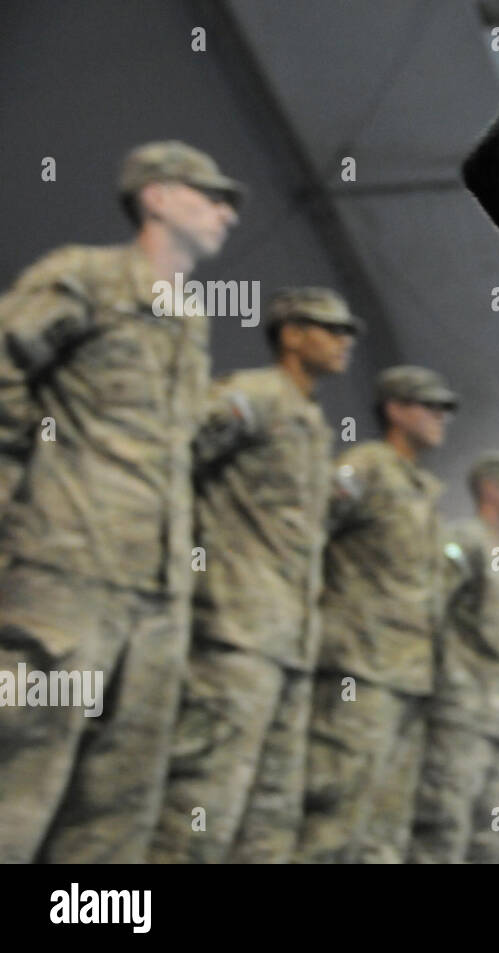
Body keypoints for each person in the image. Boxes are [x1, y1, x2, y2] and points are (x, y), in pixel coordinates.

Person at [0, 141, 241, 863]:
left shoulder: (192, 319)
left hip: (157, 593)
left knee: (118, 805)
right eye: (210, 194)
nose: (227, 211)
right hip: (68, 571)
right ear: (158, 196)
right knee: (22, 773)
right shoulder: (85, 277)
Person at [150, 287, 357, 863]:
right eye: (330, 328)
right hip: (236, 631)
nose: (345, 342)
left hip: (289, 645)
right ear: (291, 334)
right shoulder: (252, 397)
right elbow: (172, 459)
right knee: (202, 799)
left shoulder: (311, 422)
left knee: (269, 816)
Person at [295, 366, 458, 863]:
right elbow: (306, 533)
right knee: (335, 813)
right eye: (429, 406)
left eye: (444, 409)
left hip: (408, 677)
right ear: (394, 409)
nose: (440, 418)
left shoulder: (424, 491)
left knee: (383, 830)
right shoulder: (366, 467)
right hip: (360, 669)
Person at [410, 452, 499, 863]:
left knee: (486, 841)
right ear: (488, 488)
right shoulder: (465, 540)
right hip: (461, 717)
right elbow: (429, 605)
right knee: (442, 831)